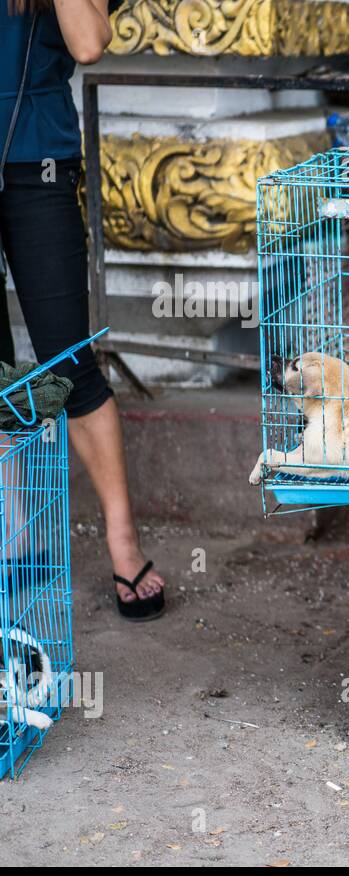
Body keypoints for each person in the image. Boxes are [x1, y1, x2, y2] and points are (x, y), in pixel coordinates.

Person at [0, 0, 165, 620]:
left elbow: (90, 41)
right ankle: (12, 538)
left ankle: (124, 548)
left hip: (38, 162)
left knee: (67, 362)